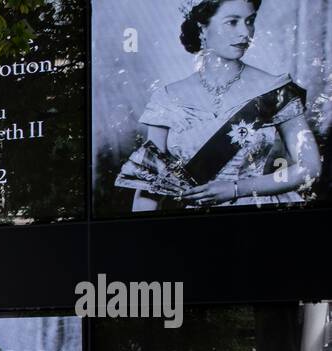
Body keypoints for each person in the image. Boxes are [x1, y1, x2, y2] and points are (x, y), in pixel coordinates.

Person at [120, 0, 322, 212]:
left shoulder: (275, 88)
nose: (246, 32)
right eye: (232, 22)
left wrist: (236, 188)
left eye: (250, 21)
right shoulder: (167, 97)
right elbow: (149, 184)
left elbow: (310, 167)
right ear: (202, 27)